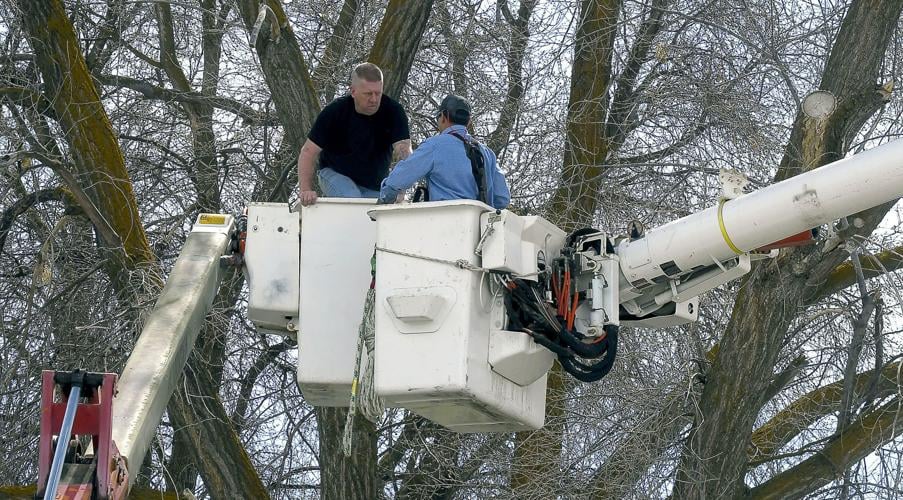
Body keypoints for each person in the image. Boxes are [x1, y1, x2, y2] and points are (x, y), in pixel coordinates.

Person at [298, 63, 412, 205]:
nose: (374, 99)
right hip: (335, 173)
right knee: (352, 198)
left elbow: (404, 151)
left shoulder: (394, 111)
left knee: (384, 211)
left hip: (373, 184)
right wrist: (305, 190)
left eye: (378, 93)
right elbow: (308, 152)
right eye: (368, 94)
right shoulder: (334, 111)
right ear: (353, 91)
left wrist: (400, 190)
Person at [377, 95, 510, 210]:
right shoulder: (487, 153)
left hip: (444, 228)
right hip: (480, 233)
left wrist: (385, 198)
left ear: (443, 116)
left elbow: (399, 179)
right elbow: (502, 199)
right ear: (468, 121)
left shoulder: (434, 146)